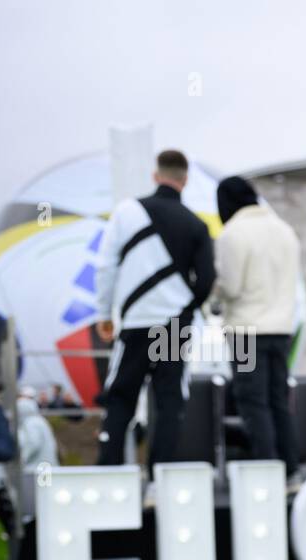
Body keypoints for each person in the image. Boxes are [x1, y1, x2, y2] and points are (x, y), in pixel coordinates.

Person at [94, 149, 215, 469]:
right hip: (173, 326)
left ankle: (109, 469)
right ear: (184, 181)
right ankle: (161, 476)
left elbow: (106, 267)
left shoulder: (127, 212)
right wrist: (187, 310)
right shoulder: (196, 225)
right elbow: (206, 280)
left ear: (155, 175)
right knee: (169, 401)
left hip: (136, 322)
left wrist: (104, 314)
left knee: (121, 398)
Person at [213, 175, 301, 478]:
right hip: (281, 330)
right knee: (278, 400)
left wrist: (215, 295)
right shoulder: (285, 230)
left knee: (253, 402)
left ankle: (267, 470)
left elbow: (232, 287)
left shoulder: (233, 233)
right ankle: (290, 470)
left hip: (246, 332)